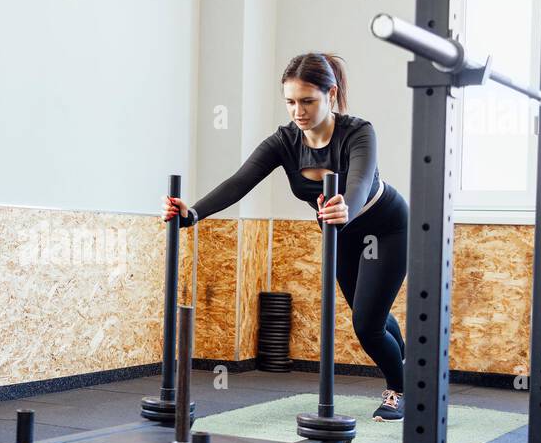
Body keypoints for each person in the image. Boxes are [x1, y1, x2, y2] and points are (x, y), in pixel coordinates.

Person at [164, 52, 408, 421]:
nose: (298, 111)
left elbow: (359, 181)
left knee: (366, 326)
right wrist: (193, 214)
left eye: (307, 101)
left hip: (387, 228)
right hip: (340, 233)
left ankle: (399, 389)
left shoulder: (358, 132)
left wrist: (346, 206)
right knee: (368, 313)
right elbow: (239, 182)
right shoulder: (284, 142)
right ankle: (403, 356)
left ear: (331, 94)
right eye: (291, 102)